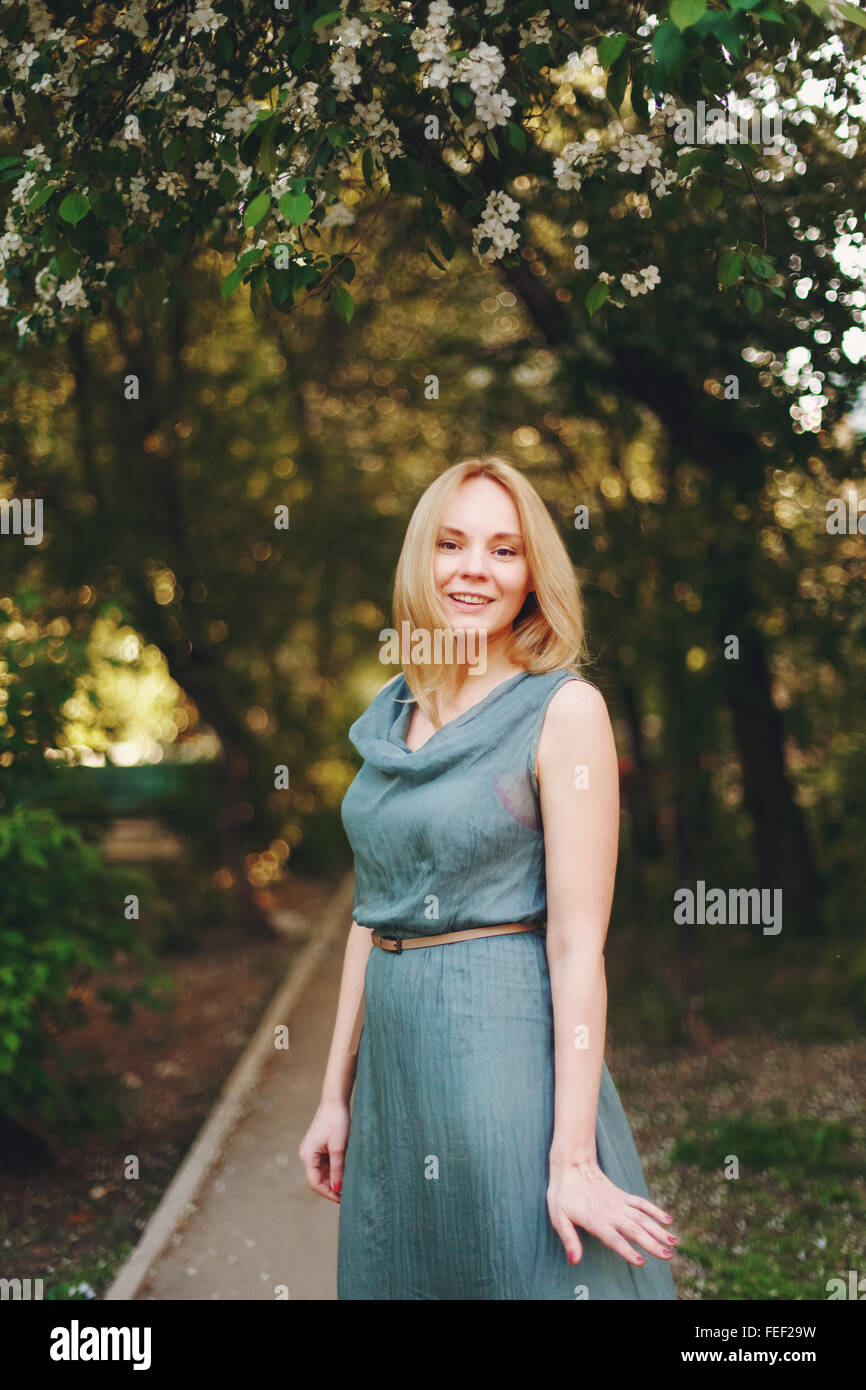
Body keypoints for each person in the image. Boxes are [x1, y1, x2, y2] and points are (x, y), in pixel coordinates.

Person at [299, 455, 678, 1300]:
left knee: (518, 1273)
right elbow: (373, 914)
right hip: (396, 1080)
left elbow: (580, 946)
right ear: (419, 560)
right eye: (453, 543)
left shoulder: (562, 709)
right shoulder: (393, 710)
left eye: (505, 551)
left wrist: (572, 1155)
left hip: (499, 1062)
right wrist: (335, 1095)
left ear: (533, 577)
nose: (474, 569)